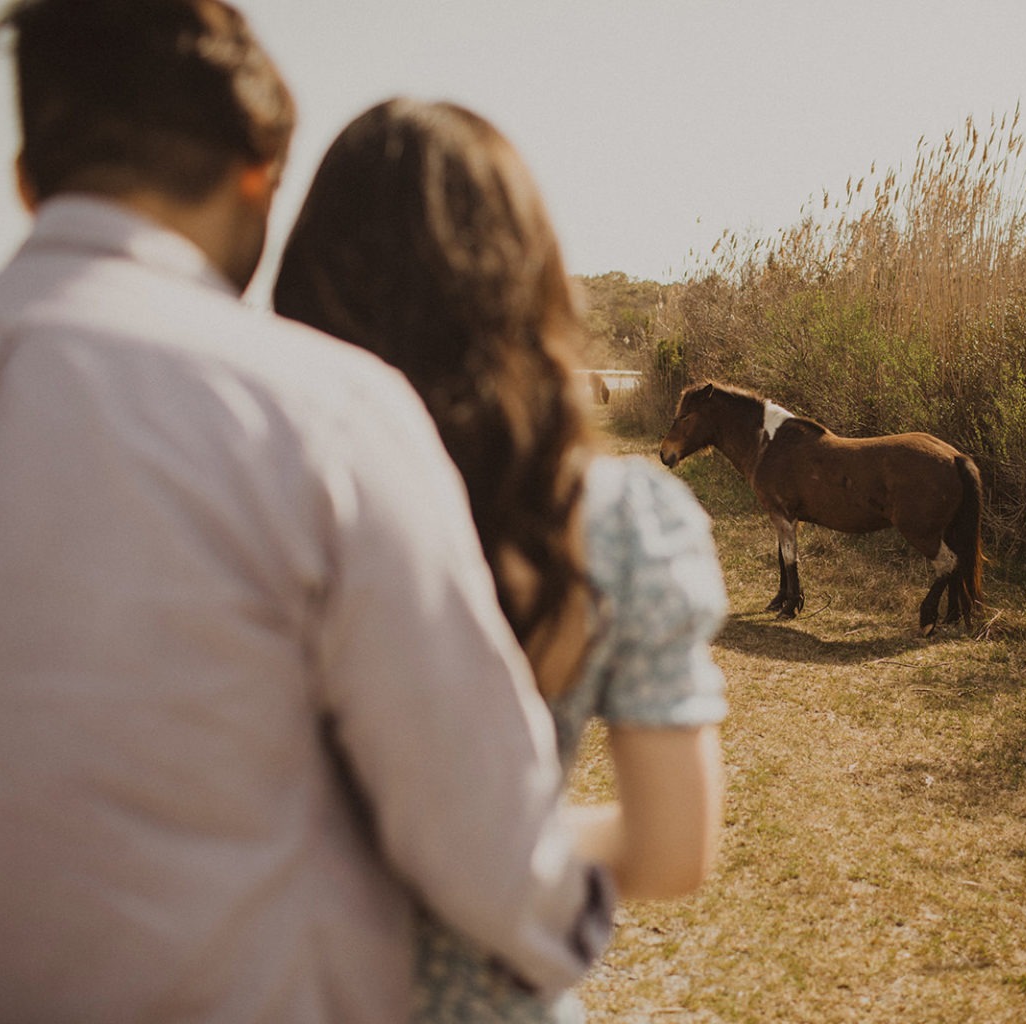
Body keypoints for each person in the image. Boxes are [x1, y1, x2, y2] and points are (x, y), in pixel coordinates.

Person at [0, 4, 610, 1022]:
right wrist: (568, 922)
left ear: (27, 182)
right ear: (261, 174)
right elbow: (483, 840)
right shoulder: (326, 415)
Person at [273, 98, 728, 1023]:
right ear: (529, 280)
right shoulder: (613, 521)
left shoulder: (256, 487)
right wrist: (486, 847)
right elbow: (674, 848)